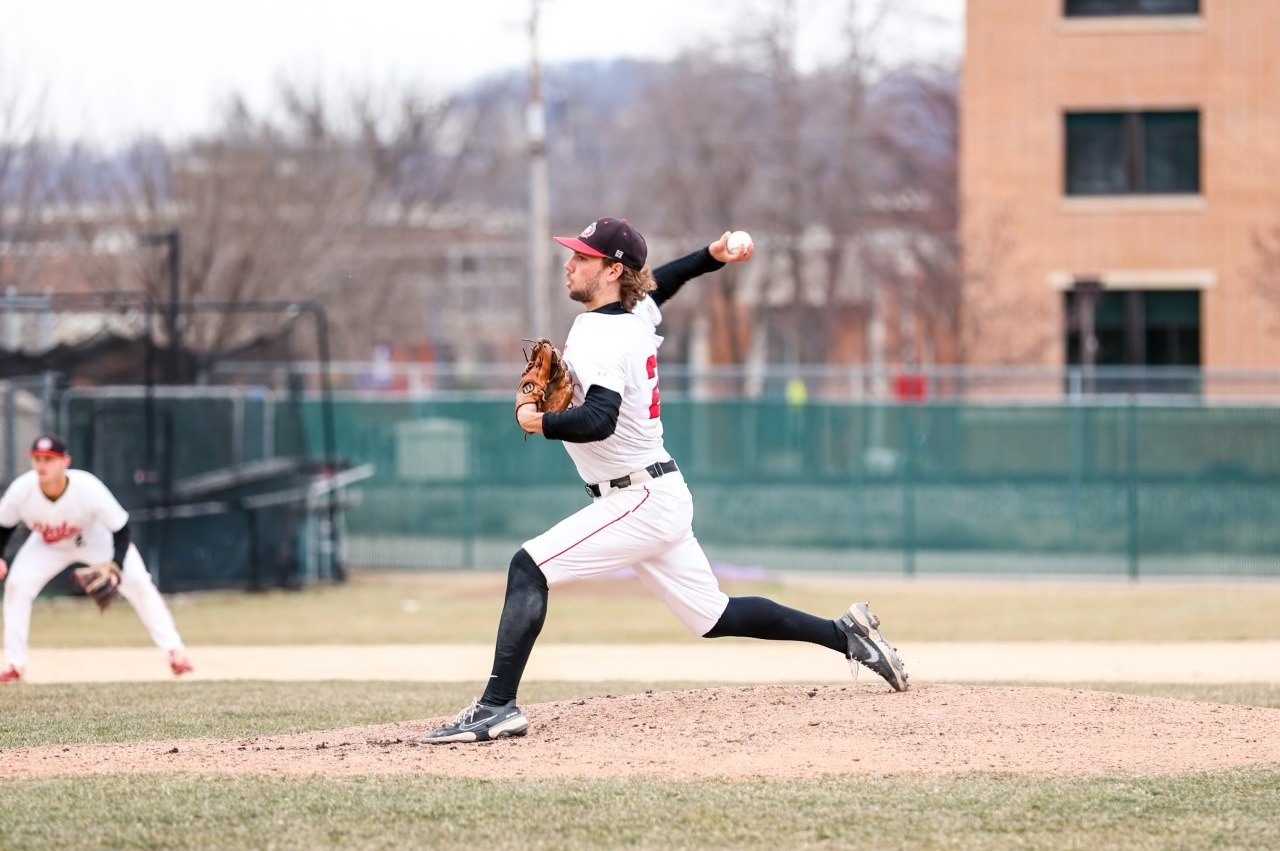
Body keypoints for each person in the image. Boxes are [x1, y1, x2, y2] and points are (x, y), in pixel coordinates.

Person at [421, 218, 908, 744]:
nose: (569, 263)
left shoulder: (603, 333)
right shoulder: (630, 314)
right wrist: (712, 255)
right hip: (655, 491)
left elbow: (598, 420)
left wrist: (536, 422)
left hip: (638, 498)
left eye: (582, 258)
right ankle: (845, 634)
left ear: (612, 270)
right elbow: (663, 283)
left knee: (528, 566)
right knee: (714, 615)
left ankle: (498, 706)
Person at [0, 434, 193, 683]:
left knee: (139, 583)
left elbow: (121, 528)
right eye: (37, 458)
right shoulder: (22, 490)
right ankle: (15, 663)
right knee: (17, 585)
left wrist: (116, 566)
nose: (42, 464)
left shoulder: (87, 488)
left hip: (94, 538)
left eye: (49, 459)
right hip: (46, 545)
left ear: (65, 461)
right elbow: (4, 526)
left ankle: (174, 651)